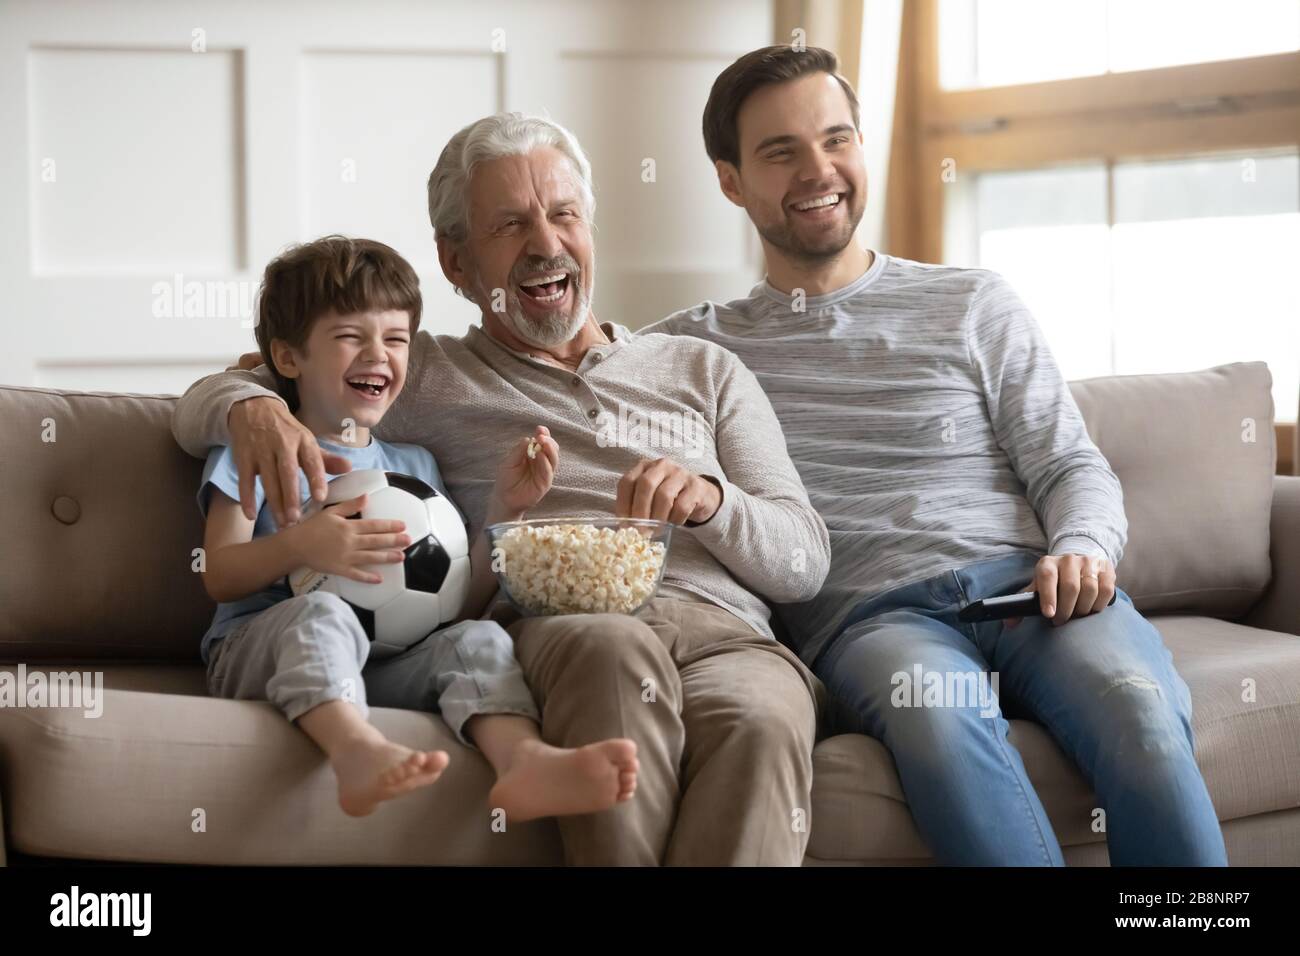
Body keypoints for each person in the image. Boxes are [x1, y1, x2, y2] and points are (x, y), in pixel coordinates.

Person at [172, 117, 831, 865]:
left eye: (563, 215)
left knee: (762, 719)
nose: (545, 245)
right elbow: (228, 387)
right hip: (569, 625)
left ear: (590, 229)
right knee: (609, 652)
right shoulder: (417, 372)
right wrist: (248, 408)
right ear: (456, 262)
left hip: (723, 633)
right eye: (510, 225)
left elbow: (804, 562)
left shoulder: (704, 370)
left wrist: (713, 501)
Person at [647, 45, 1227, 865]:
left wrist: (1084, 548)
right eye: (781, 152)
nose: (820, 170)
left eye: (837, 139)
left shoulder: (971, 302)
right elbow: (571, 371)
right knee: (943, 725)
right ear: (731, 180)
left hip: (1035, 590)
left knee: (1138, 714)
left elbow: (1070, 464)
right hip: (873, 621)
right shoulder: (693, 349)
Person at [197, 234, 637, 821]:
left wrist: (507, 509)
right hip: (258, 648)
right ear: (288, 357)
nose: (378, 355)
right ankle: (355, 750)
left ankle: (523, 762)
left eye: (396, 339)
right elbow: (219, 574)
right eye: (351, 336)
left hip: (384, 662)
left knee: (479, 641)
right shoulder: (255, 450)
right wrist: (300, 544)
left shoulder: (414, 467)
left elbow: (460, 601)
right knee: (321, 615)